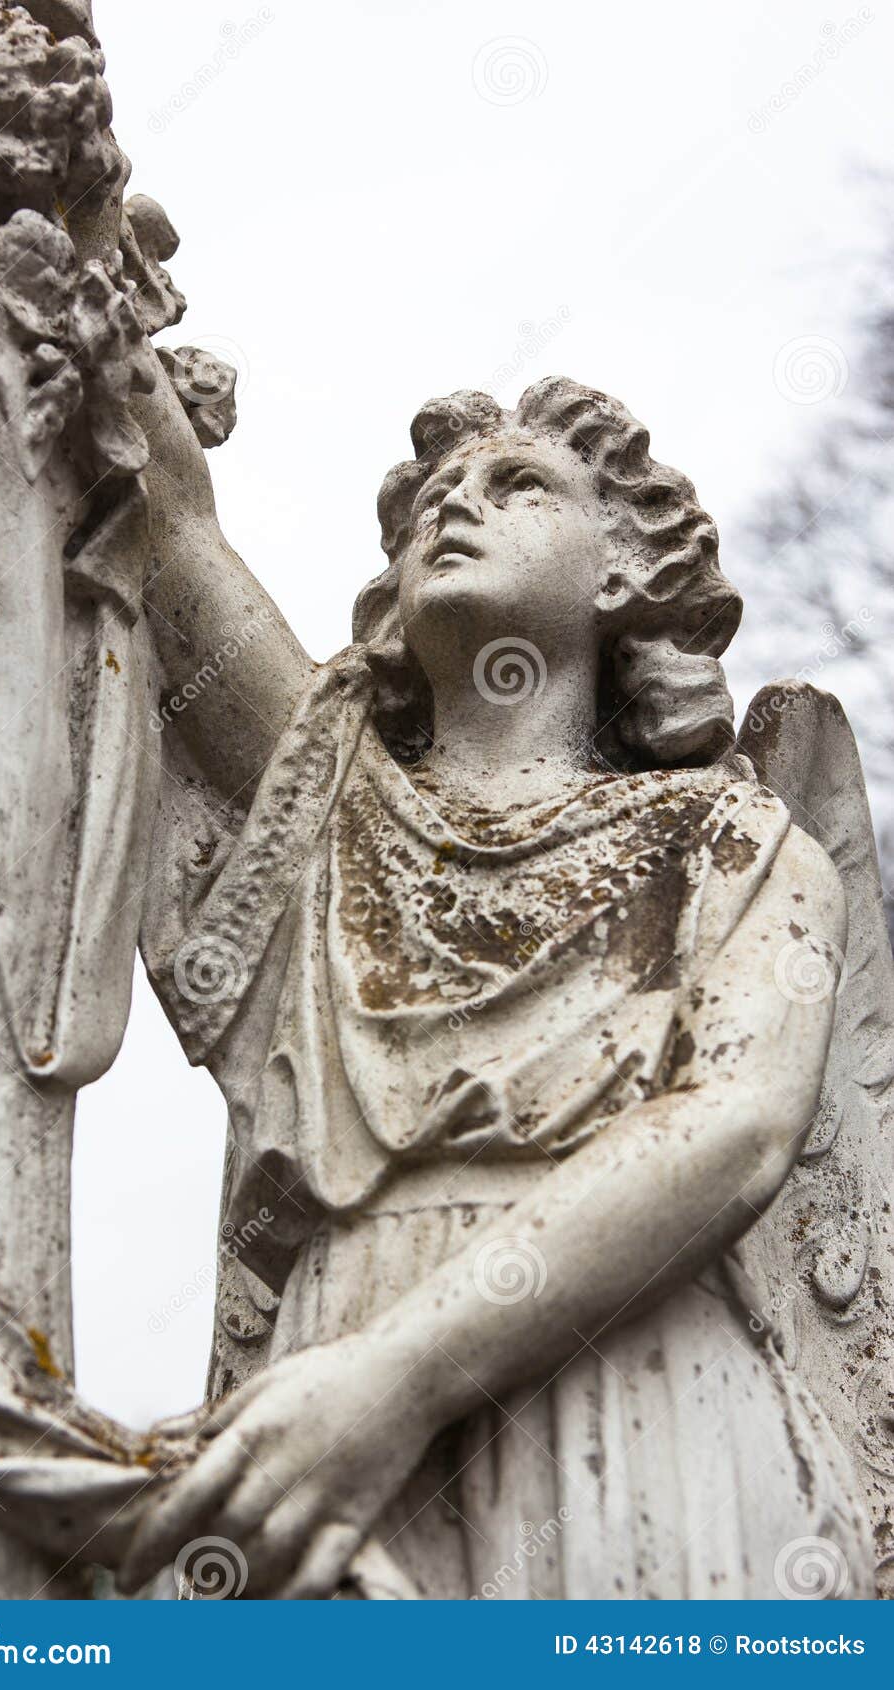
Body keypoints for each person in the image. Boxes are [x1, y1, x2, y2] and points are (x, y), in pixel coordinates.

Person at [120, 375, 872, 1600]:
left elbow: (734, 1129)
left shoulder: (731, 843)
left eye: (516, 485)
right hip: (324, 1385)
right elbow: (169, 532)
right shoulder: (324, 805)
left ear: (622, 572)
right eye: (430, 498)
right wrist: (84, 277)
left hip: (631, 1390)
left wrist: (393, 1379)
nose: (453, 504)